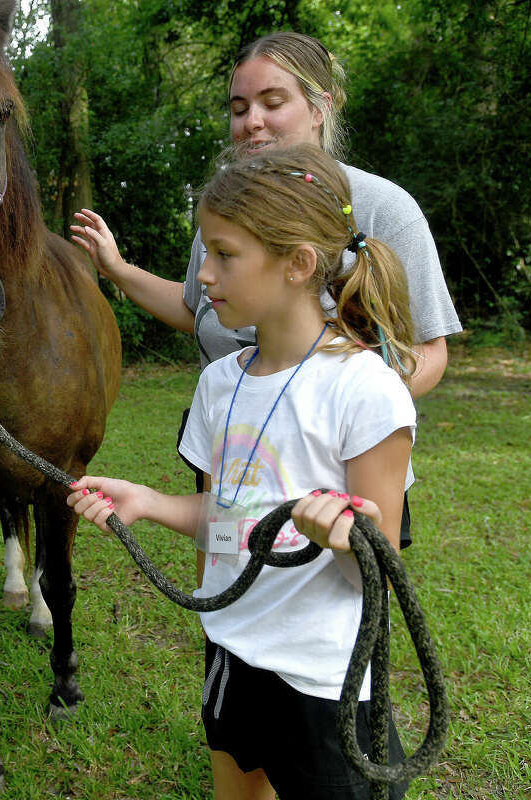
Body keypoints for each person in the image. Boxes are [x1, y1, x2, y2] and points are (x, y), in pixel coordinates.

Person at [67, 144, 415, 800]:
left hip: (321, 681)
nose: (204, 275)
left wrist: (344, 540)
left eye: (224, 255)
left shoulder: (365, 392)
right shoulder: (219, 383)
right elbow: (232, 518)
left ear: (298, 264)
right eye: (206, 253)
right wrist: (149, 503)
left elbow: (379, 572)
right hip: (232, 652)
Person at [71, 32, 460, 545]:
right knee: (229, 566)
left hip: (339, 465)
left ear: (320, 107)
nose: (251, 121)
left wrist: (347, 412)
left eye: (272, 102)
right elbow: (198, 310)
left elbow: (430, 351)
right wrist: (119, 270)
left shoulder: (384, 208)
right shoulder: (224, 214)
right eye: (238, 107)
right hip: (237, 445)